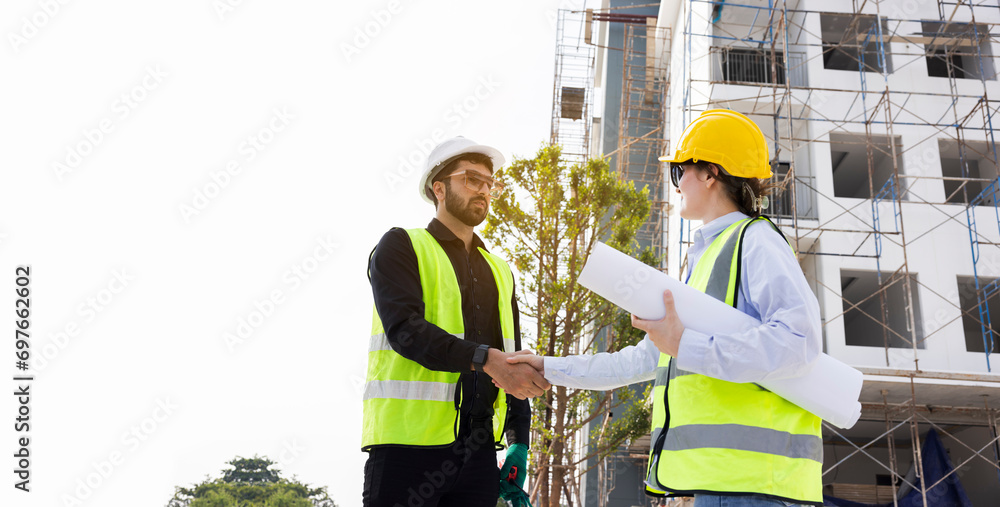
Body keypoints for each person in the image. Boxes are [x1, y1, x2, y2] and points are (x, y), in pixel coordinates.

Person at [506, 110, 824, 506]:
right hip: (724, 484)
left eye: (678, 172)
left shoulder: (757, 241)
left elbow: (798, 343)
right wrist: (548, 367)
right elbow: (641, 360)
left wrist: (684, 344)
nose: (675, 185)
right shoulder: (705, 258)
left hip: (758, 486)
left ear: (710, 173)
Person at [363, 136, 548, 507]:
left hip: (478, 455)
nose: (484, 190)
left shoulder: (500, 270)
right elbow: (406, 331)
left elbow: (511, 358)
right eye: (471, 179)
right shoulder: (401, 246)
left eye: (489, 183)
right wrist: (484, 357)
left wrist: (519, 441)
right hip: (406, 449)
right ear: (439, 188)